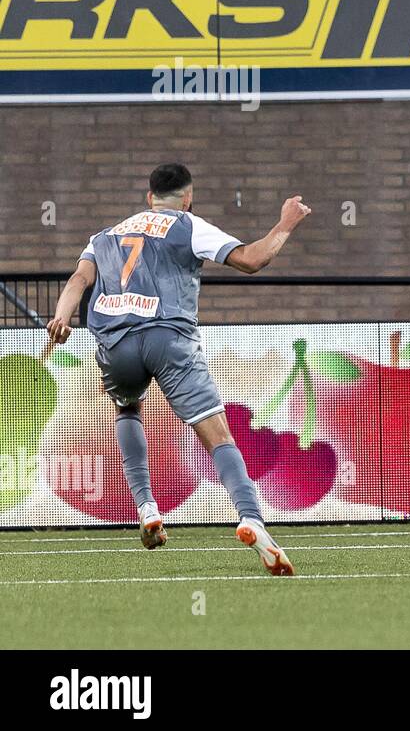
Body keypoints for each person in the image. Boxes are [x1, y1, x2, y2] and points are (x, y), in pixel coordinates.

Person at [46, 164, 312, 574]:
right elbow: (252, 259)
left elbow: (78, 280)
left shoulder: (104, 236)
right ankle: (250, 517)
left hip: (116, 344)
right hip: (169, 340)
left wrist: (62, 317)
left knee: (126, 407)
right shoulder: (189, 225)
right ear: (187, 197)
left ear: (148, 197)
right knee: (217, 434)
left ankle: (147, 507)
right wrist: (285, 223)